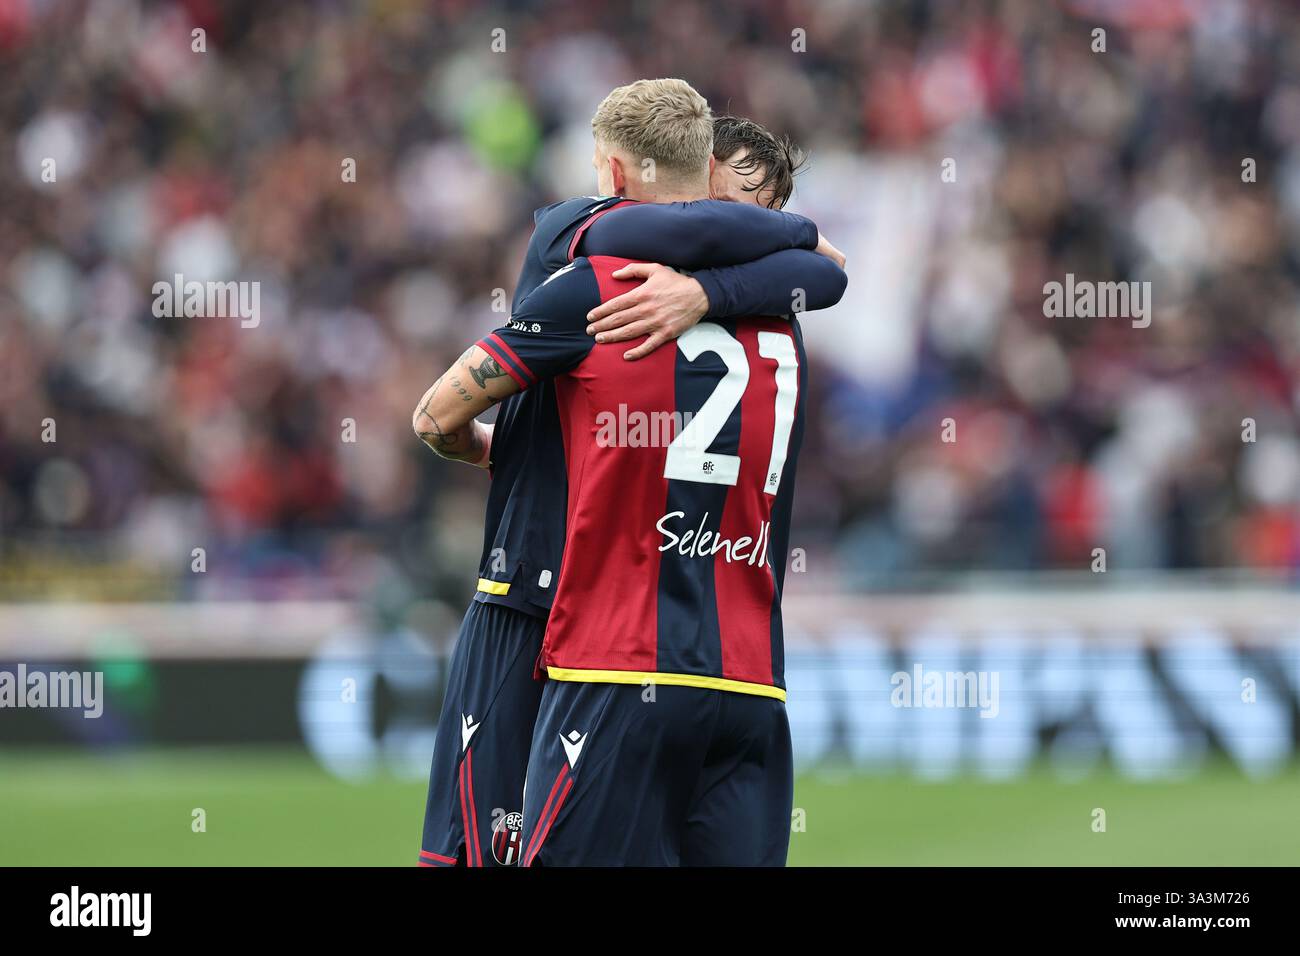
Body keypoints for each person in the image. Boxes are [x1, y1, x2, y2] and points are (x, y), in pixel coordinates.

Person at [415, 79, 844, 867]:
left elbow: (433, 417)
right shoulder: (579, 239)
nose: (746, 223)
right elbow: (823, 264)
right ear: (700, 172)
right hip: (600, 621)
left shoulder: (648, 286)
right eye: (741, 203)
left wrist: (707, 290)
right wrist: (770, 245)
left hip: (601, 633)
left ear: (613, 167)